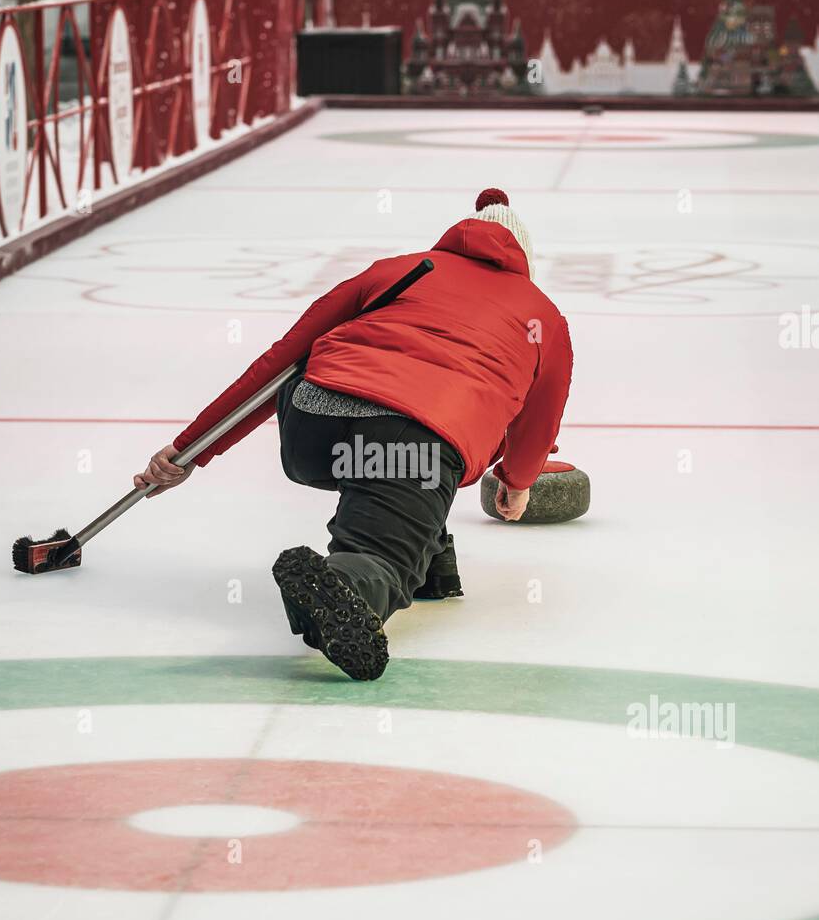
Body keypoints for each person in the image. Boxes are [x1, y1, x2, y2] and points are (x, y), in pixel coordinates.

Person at [134, 188, 573, 681]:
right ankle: (346, 583)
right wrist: (516, 481)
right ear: (525, 257)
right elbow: (539, 422)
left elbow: (277, 363)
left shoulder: (398, 271)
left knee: (400, 477)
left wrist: (189, 450)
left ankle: (431, 558)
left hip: (311, 429)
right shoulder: (544, 317)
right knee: (383, 547)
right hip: (416, 439)